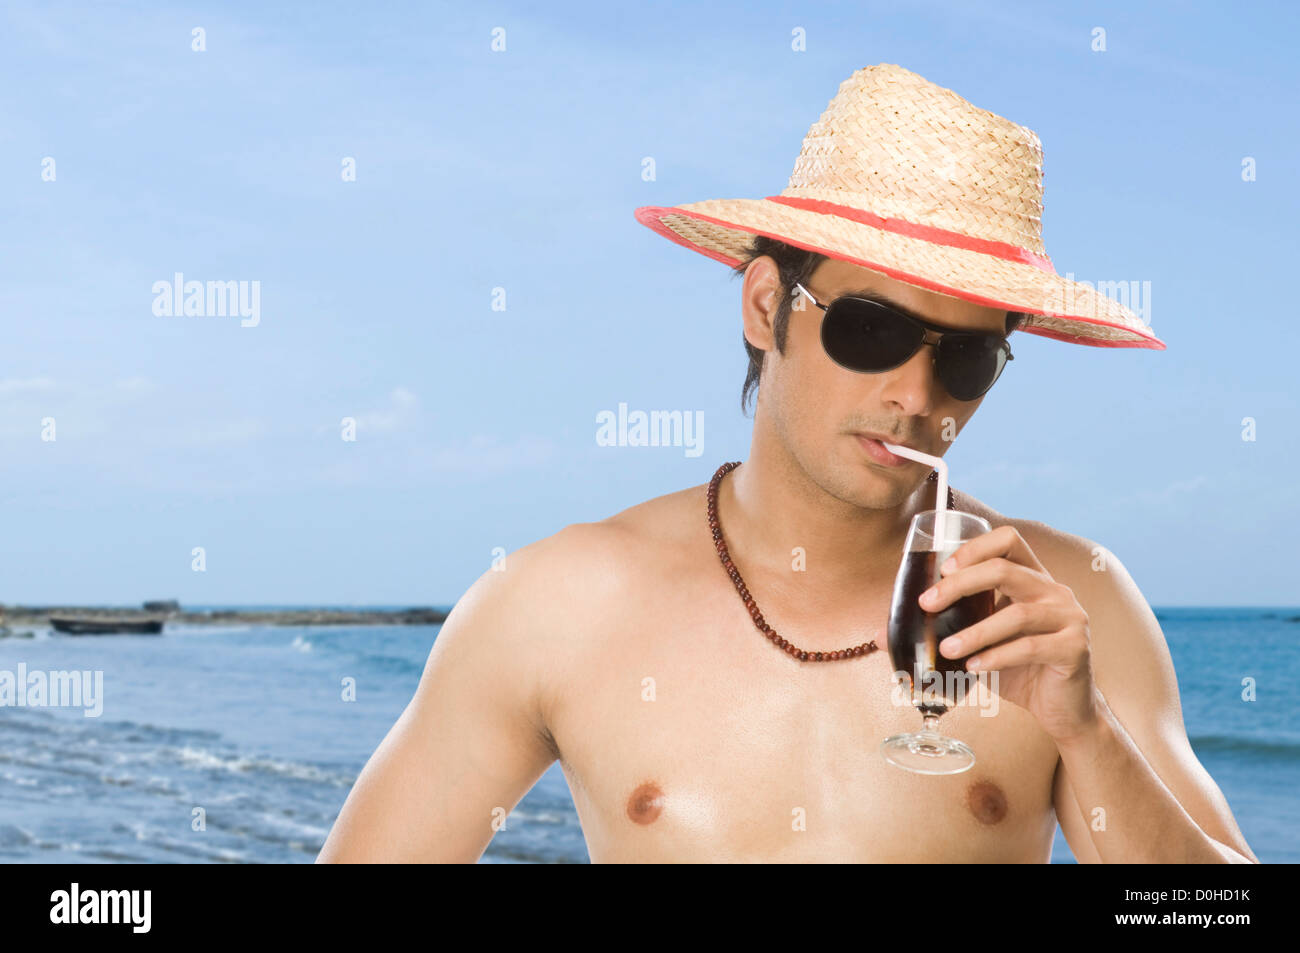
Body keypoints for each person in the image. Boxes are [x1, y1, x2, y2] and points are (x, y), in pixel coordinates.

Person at [318, 64, 1256, 863]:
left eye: (965, 355)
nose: (917, 394)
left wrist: (1085, 734)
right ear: (766, 307)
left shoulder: (1071, 605)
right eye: (872, 328)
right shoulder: (557, 603)